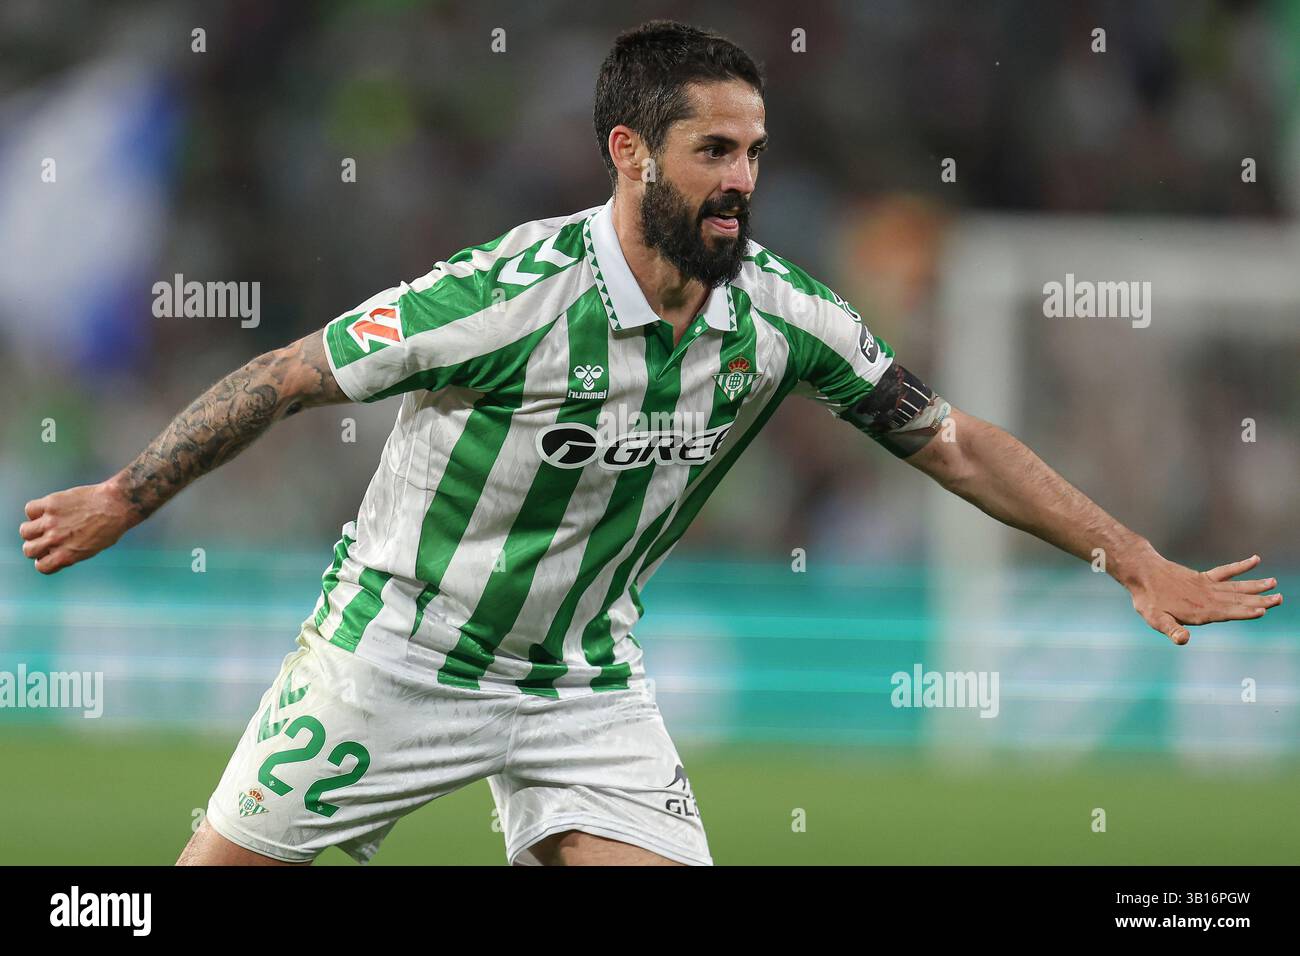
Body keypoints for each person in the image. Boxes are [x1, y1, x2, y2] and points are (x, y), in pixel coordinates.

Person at [18, 20, 1282, 866]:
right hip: (398, 648)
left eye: (753, 152)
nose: (741, 178)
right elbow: (292, 374)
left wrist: (1126, 554)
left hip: (582, 681)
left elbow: (947, 441)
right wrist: (130, 495)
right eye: (712, 151)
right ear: (631, 154)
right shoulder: (507, 292)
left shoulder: (784, 316)